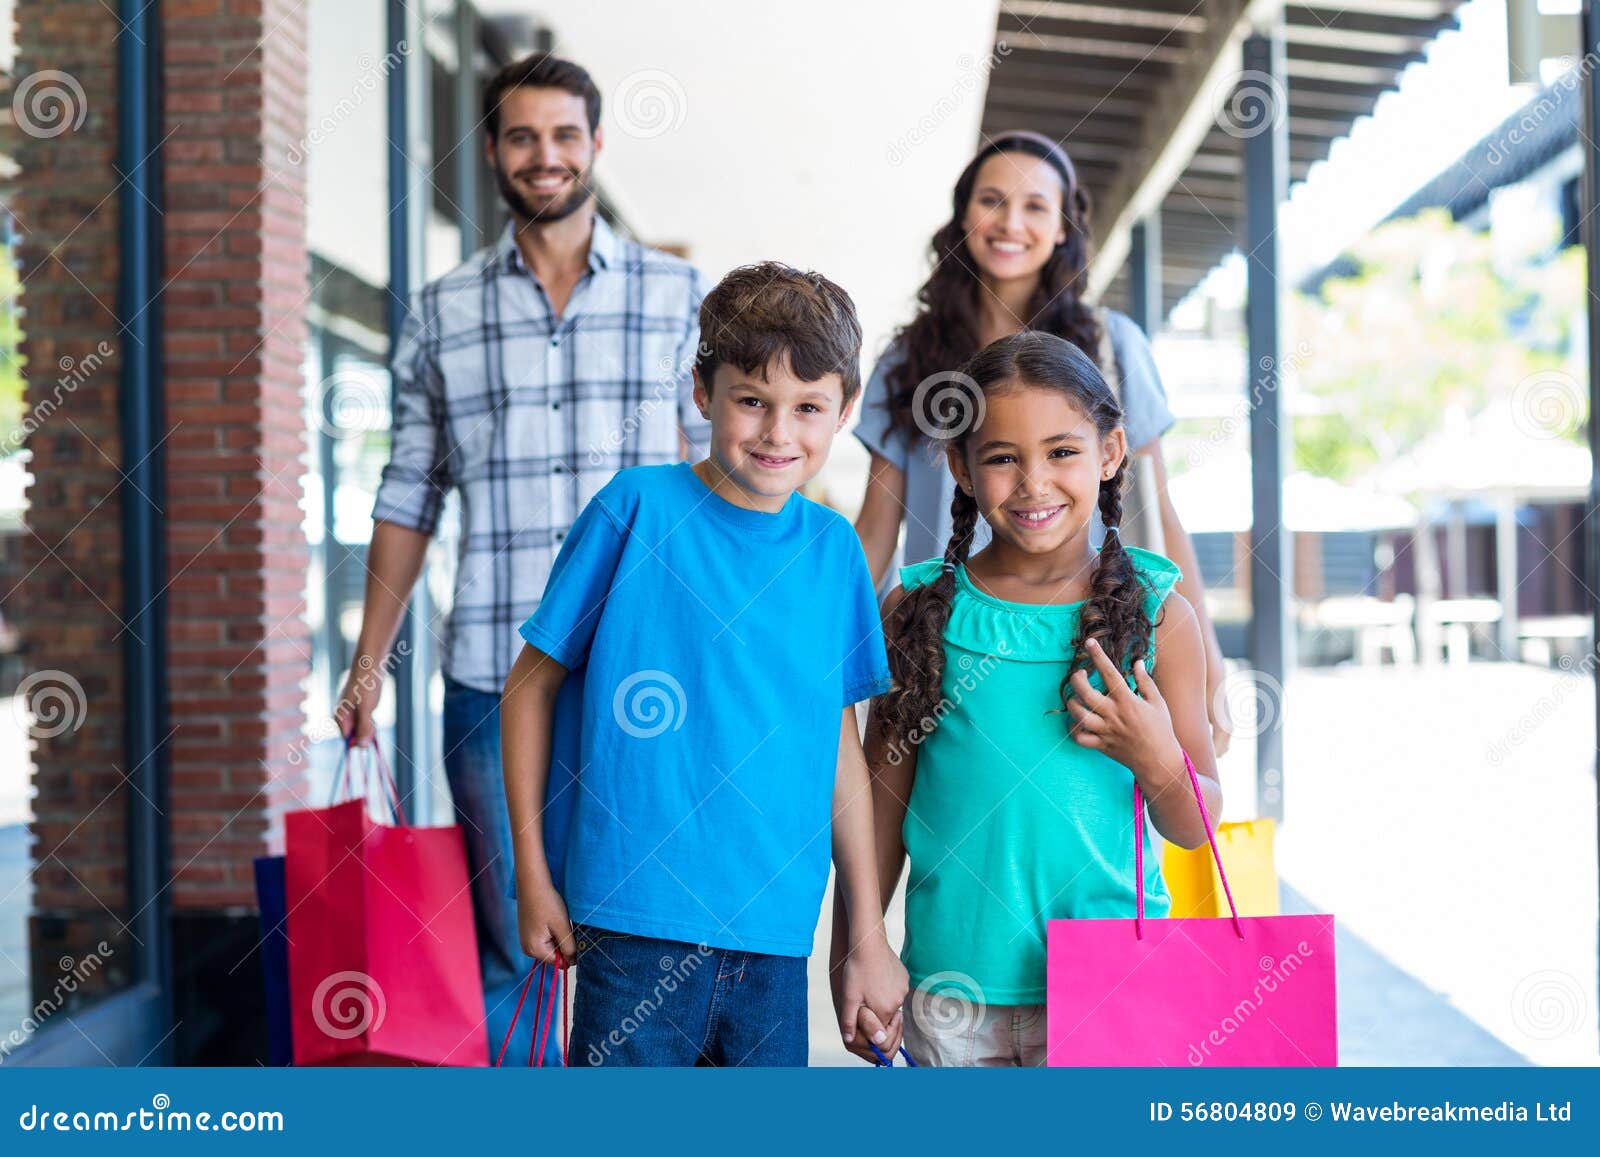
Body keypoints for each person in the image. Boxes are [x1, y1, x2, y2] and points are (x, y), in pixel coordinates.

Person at [334, 53, 710, 1065]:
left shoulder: (678, 296)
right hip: (493, 671)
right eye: (520, 137)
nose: (543, 156)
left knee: (652, 926)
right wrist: (370, 655)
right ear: (494, 152)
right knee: (513, 931)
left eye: (563, 135)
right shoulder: (444, 309)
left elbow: (730, 486)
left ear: (594, 144)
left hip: (647, 664)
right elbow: (409, 491)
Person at [502, 263, 908, 1066]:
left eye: (808, 408)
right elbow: (527, 688)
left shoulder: (833, 555)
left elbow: (840, 752)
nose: (777, 433)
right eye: (751, 399)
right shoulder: (635, 507)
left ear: (846, 411)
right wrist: (533, 873)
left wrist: (865, 934)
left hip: (775, 932)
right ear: (702, 392)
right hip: (632, 922)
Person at [836, 331, 1221, 1066]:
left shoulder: (1161, 615)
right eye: (1003, 457)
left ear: (1111, 452)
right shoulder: (918, 612)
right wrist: (855, 949)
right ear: (961, 467)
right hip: (948, 995)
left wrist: (1156, 758)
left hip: (1113, 984)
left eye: (1062, 451)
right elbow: (877, 809)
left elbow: (1197, 825)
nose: (1034, 482)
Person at [852, 131, 1232, 755]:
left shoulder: (1112, 349)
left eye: (1035, 206)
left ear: (1063, 227)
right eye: (992, 201)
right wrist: (824, 661)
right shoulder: (907, 361)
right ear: (962, 217)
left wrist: (1207, 655)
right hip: (947, 645)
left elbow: (1160, 512)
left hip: (1093, 641)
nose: (1010, 223)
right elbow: (874, 532)